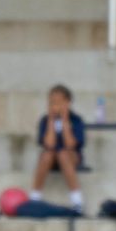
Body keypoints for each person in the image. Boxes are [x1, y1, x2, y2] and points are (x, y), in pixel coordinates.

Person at [28, 85, 86, 213]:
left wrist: (65, 119)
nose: (55, 105)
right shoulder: (45, 120)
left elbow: (71, 144)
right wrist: (51, 121)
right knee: (47, 154)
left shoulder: (76, 120)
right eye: (52, 102)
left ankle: (77, 200)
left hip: (70, 157)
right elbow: (49, 144)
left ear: (68, 103)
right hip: (52, 158)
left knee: (63, 154)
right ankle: (35, 197)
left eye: (59, 102)